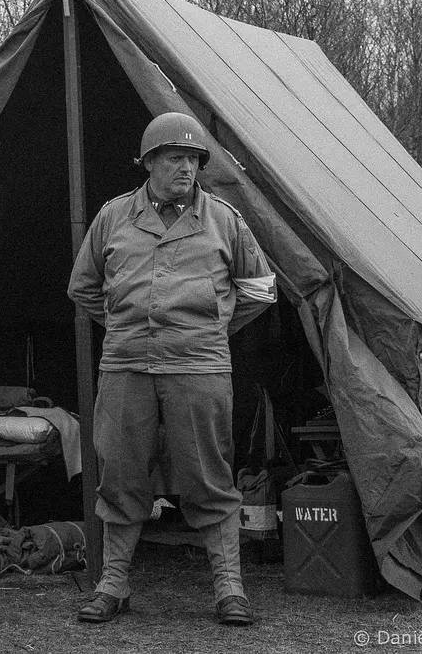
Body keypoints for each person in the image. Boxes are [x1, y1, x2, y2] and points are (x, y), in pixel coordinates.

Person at [67, 111, 277, 627]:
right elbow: (84, 287)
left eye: (194, 159)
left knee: (209, 473)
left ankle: (229, 588)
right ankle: (113, 584)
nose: (187, 168)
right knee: (120, 471)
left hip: (199, 366)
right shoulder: (114, 218)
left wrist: (210, 328)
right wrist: (126, 325)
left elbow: (259, 289)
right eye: (175, 158)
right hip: (126, 363)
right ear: (150, 162)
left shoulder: (224, 219)